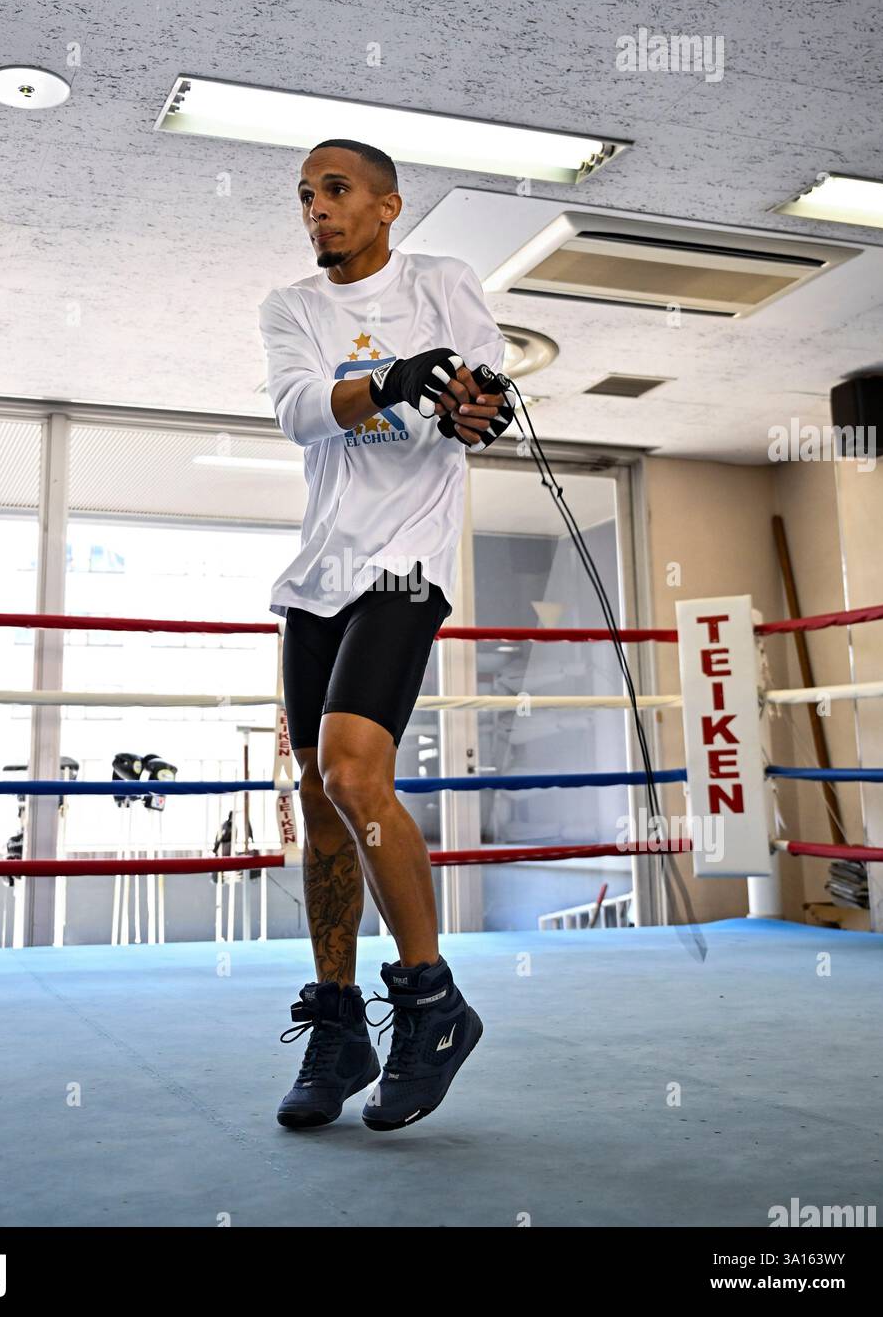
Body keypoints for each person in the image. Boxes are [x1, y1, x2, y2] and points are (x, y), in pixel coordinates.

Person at [258, 138, 509, 1131]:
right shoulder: (293, 308)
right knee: (322, 805)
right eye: (305, 195)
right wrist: (392, 379)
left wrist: (476, 406)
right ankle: (337, 1025)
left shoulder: (442, 281)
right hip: (316, 576)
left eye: (335, 191)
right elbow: (296, 413)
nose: (316, 208)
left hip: (405, 564)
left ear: (387, 205)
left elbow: (478, 398)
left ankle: (430, 1002)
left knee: (357, 776)